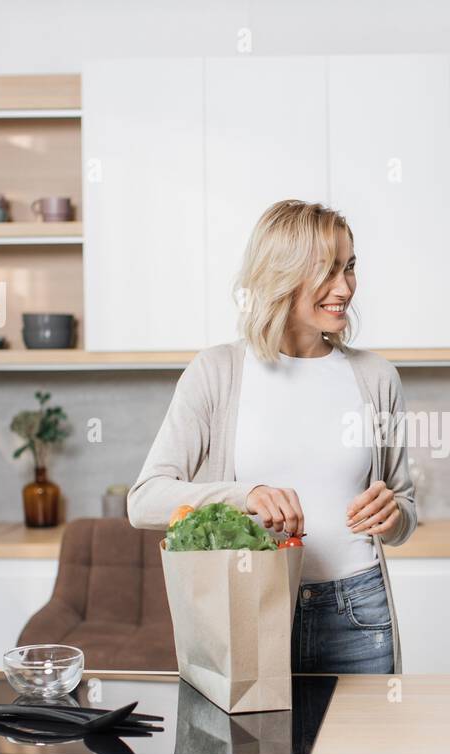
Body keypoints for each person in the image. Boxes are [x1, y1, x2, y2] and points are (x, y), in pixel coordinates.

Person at [129, 199, 416, 674]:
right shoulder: (216, 373)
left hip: (359, 610)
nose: (344, 287)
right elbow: (144, 502)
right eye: (326, 271)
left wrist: (393, 515)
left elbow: (405, 513)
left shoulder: (377, 377)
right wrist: (248, 496)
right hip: (251, 603)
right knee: (252, 748)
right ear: (281, 276)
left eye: (349, 267)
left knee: (366, 749)